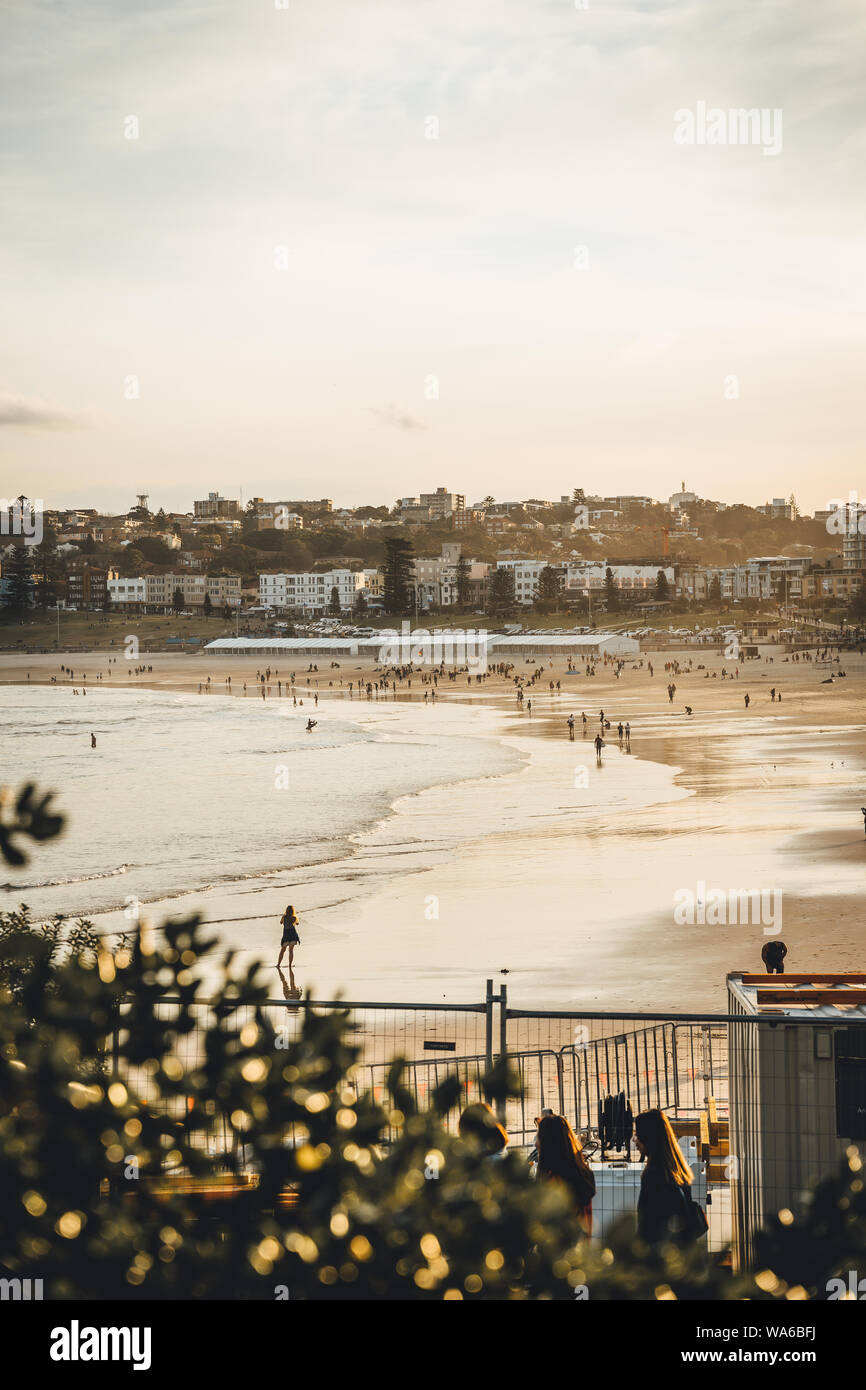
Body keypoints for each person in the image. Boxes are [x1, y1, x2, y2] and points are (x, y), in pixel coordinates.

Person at [635, 1108, 696, 1247]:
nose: (635, 1141)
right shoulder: (676, 1169)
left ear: (648, 1138)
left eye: (638, 1135)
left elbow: (648, 1224)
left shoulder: (654, 1175)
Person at [535, 1113, 595, 1235]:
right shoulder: (580, 1172)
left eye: (538, 1137)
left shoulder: (555, 1181)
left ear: (548, 1143)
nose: (536, 1143)